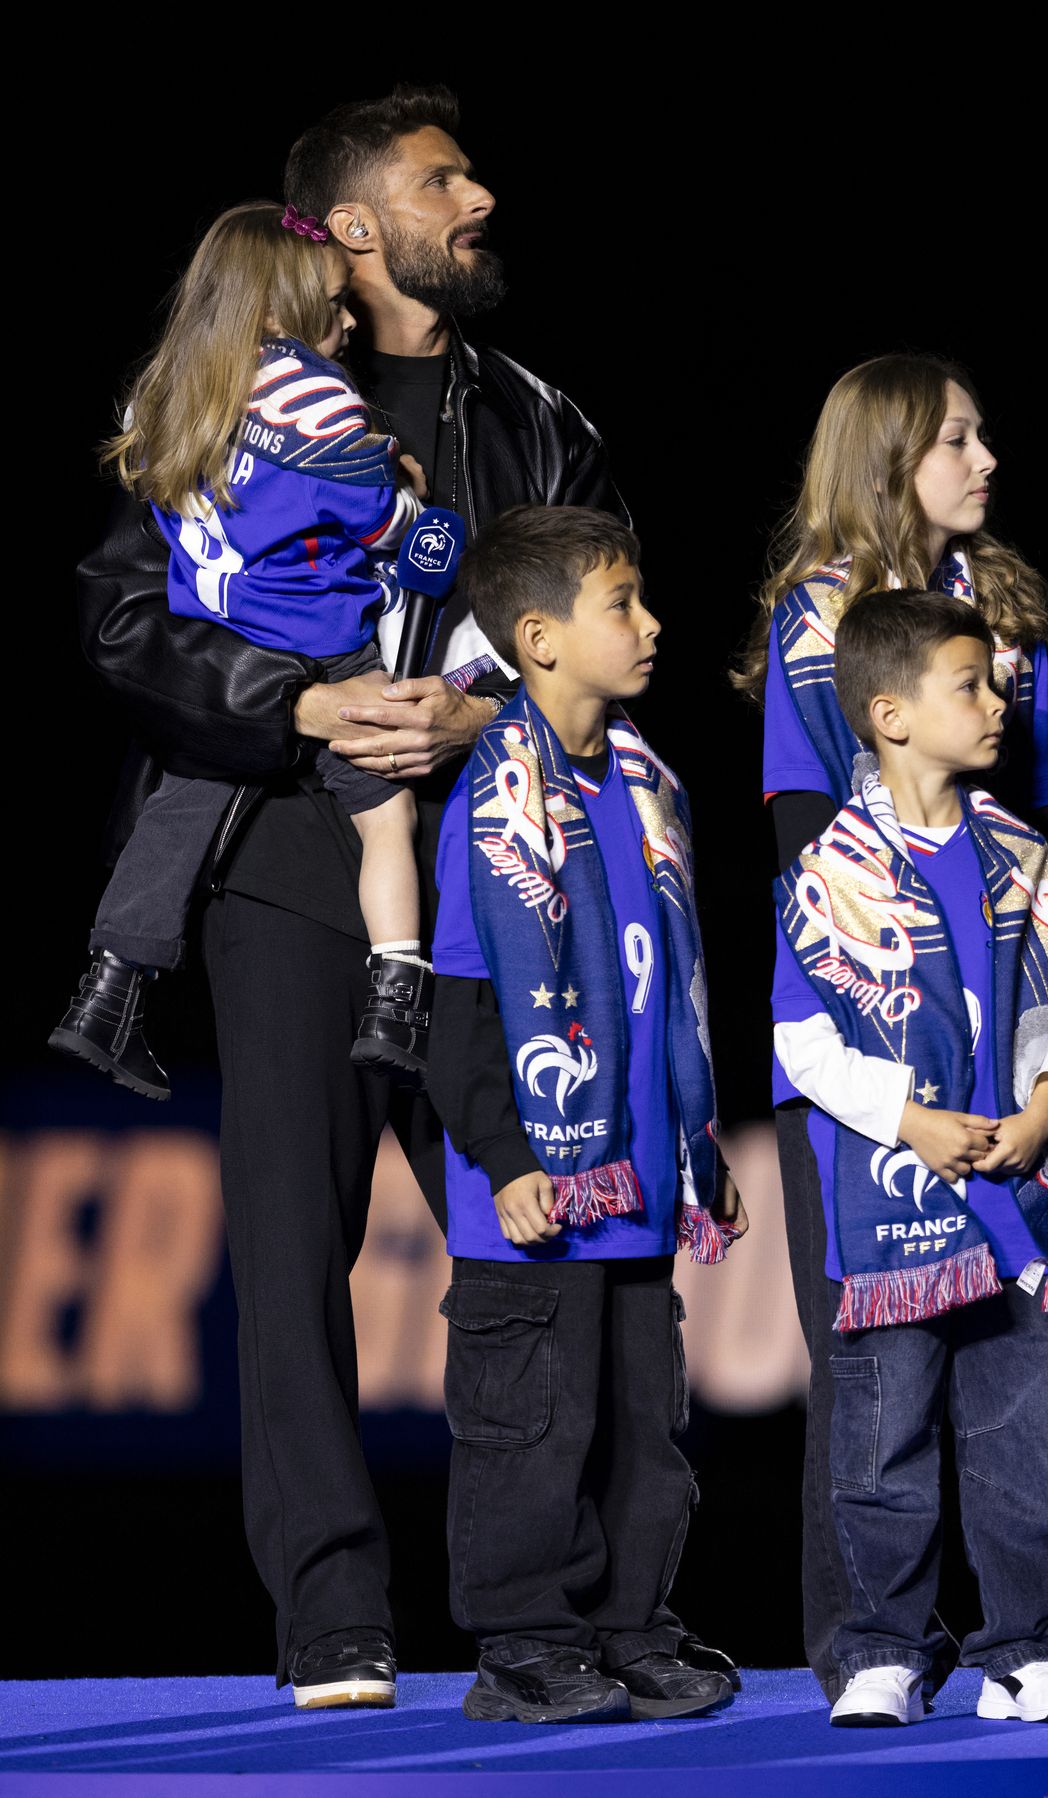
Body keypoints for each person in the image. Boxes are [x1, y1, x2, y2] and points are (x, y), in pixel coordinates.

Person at [73, 83, 731, 1709]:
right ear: (357, 228)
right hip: (288, 874)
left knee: (554, 1248)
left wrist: (488, 700)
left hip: (506, 900)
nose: (483, 195)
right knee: (293, 1255)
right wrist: (290, 704)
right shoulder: (245, 384)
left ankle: (568, 1618)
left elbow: (602, 629)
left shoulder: (544, 419)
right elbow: (122, 619)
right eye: (448, 179)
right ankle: (332, 1617)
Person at [736, 352, 1048, 1706]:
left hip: (1015, 1026)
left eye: (983, 433)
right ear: (888, 460)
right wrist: (889, 1070)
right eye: (956, 438)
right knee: (871, 1355)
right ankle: (869, 1645)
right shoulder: (823, 623)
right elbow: (804, 844)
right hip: (878, 1038)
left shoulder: (999, 614)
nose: (986, 458)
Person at [425, 506, 746, 1724]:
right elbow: (456, 1016)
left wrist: (695, 1145)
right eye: (624, 602)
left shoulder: (652, 785)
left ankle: (629, 1627)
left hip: (642, 1185)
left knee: (639, 1430)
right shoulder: (492, 800)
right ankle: (522, 1642)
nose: (651, 622)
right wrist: (504, 1154)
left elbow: (671, 985)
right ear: (539, 638)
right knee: (529, 1430)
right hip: (536, 1197)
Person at [775, 588, 1048, 1724]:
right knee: (881, 1435)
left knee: (1030, 1433)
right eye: (968, 684)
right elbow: (799, 1042)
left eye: (995, 679)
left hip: (1021, 1201)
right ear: (891, 713)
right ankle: (882, 1651)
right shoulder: (832, 869)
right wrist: (908, 1120)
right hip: (894, 1209)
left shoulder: (1021, 853)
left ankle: (1030, 1648)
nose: (996, 699)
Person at [53, 201, 462, 1101]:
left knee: (178, 813)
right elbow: (375, 519)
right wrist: (413, 507)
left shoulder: (176, 391)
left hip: (226, 643)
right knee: (385, 815)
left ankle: (109, 993)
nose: (348, 322)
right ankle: (399, 994)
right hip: (323, 643)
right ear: (275, 311)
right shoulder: (312, 393)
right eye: (331, 301)